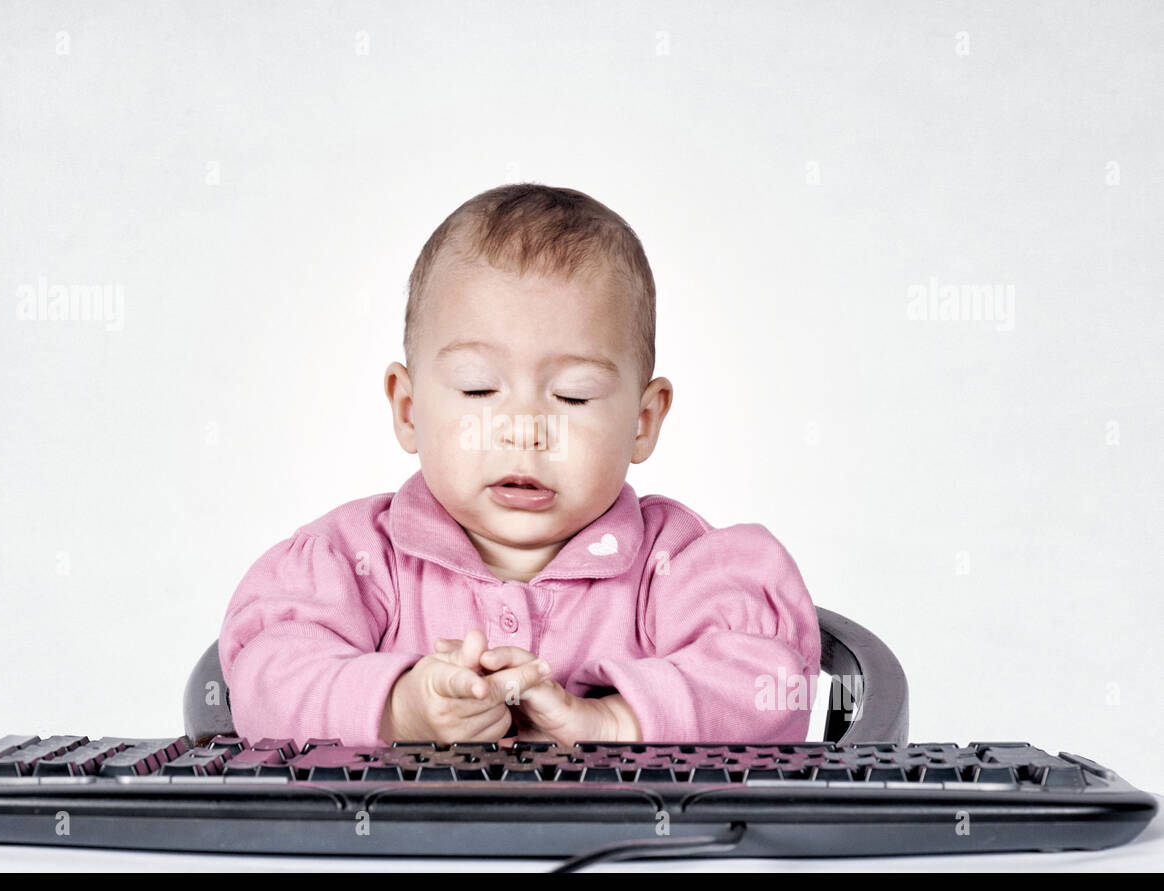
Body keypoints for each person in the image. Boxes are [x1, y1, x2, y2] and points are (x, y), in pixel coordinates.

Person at [218, 183, 821, 748]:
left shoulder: (683, 570)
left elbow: (771, 684)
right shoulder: (352, 564)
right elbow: (265, 679)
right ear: (408, 408)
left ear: (643, 420)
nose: (524, 429)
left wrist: (609, 720)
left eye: (574, 396)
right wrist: (401, 708)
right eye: (479, 390)